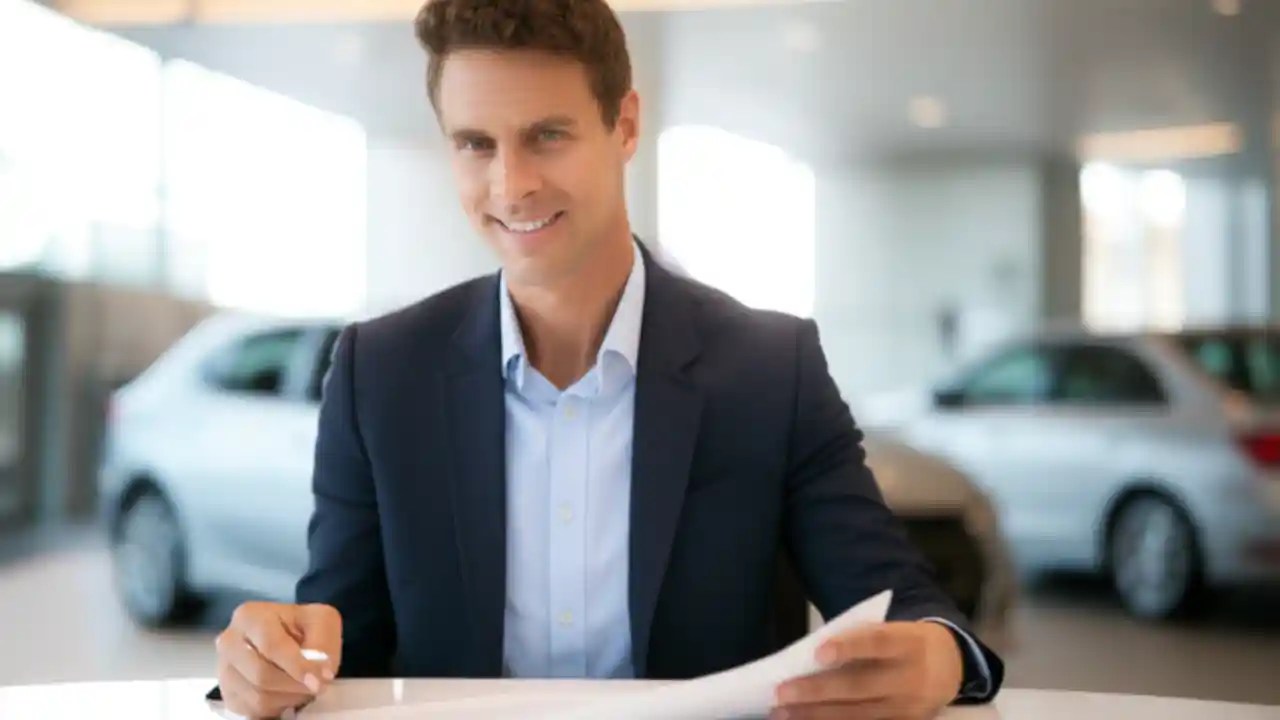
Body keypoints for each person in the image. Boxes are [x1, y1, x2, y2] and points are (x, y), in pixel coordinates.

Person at [213, 0, 1005, 718]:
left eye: (547, 136)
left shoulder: (771, 371)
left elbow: (903, 603)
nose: (510, 184)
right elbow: (331, 636)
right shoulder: (379, 374)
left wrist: (937, 655)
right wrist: (272, 659)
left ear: (625, 126)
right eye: (476, 143)